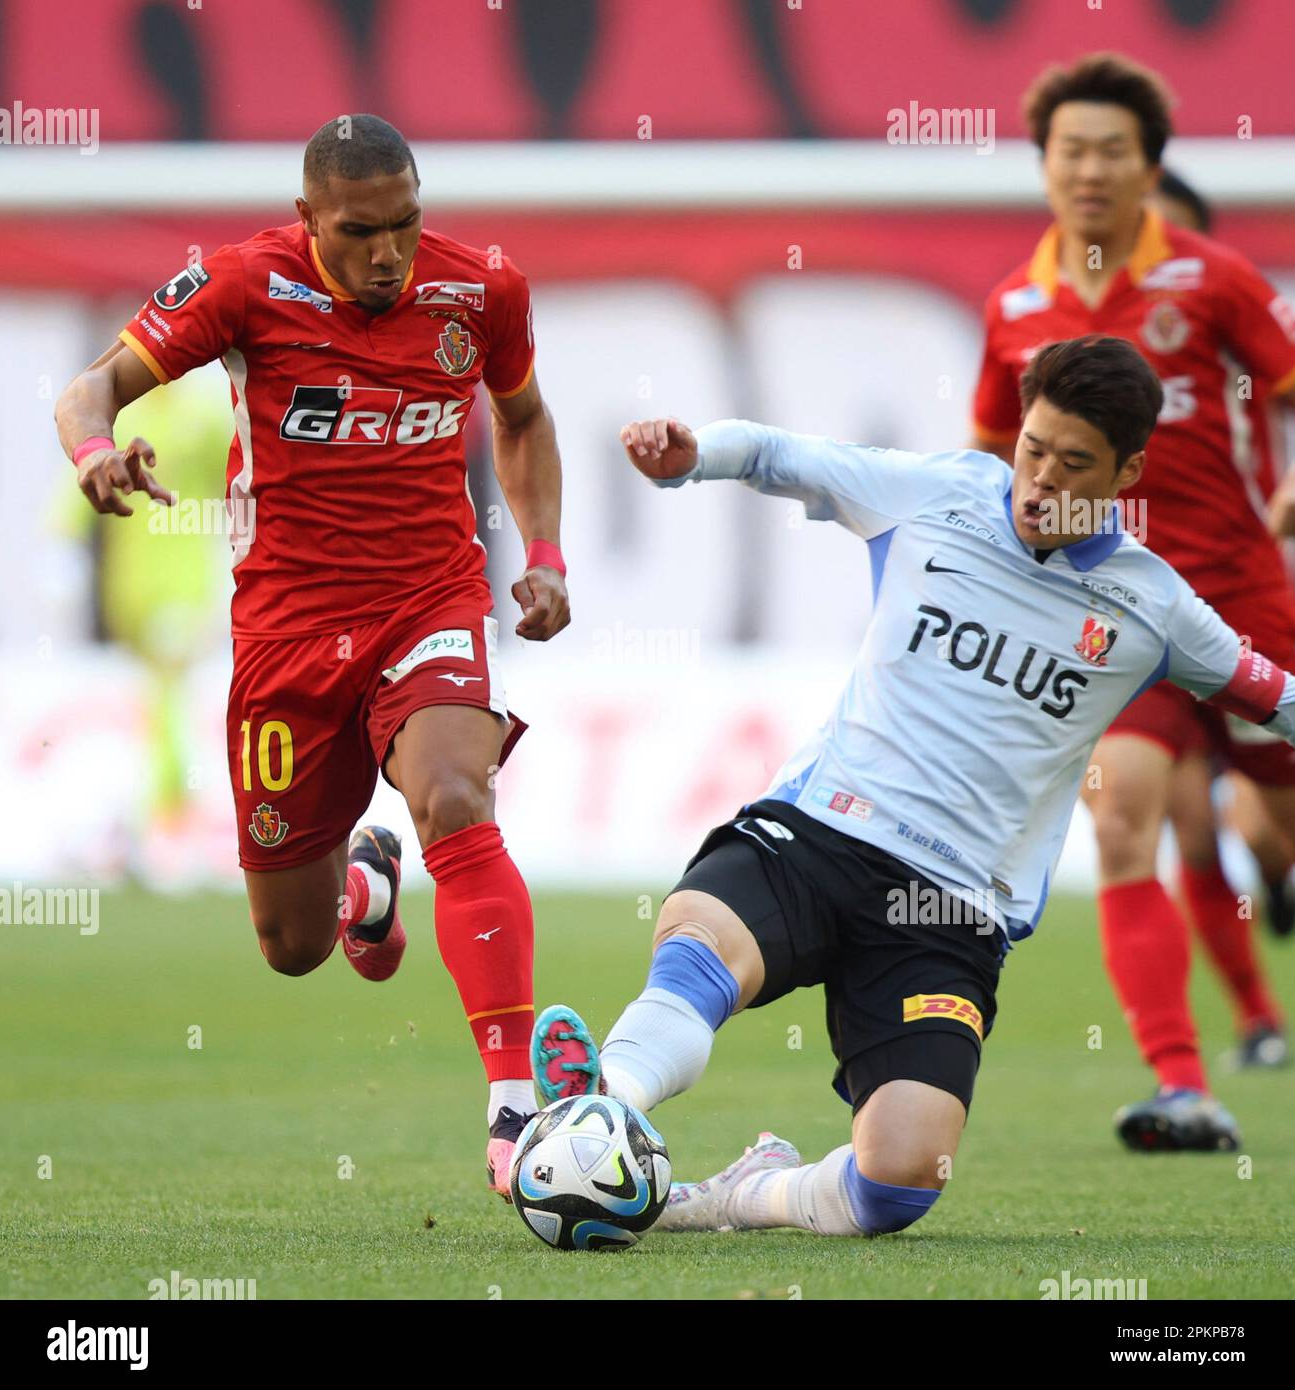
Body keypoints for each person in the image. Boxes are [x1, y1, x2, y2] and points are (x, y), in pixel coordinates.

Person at [529, 336, 1295, 1238]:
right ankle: (600, 1102)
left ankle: (734, 1195)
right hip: (822, 830)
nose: (1040, 480)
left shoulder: (1154, 605)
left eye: (1073, 464)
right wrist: (694, 457)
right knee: (700, 945)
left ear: (1128, 469)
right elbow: (784, 456)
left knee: (899, 1183)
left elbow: (1269, 694)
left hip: (953, 910)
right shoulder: (940, 493)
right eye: (1032, 449)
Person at [54, 114, 569, 1195]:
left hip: (428, 598)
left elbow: (520, 418)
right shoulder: (243, 285)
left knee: (456, 797)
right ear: (307, 221)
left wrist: (546, 552)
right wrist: (96, 451)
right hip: (288, 632)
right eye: (360, 232)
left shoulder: (479, 292)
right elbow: (87, 389)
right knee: (289, 943)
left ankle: (516, 1115)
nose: (389, 253)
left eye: (407, 224)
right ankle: (359, 897)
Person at [970, 55, 1295, 1145]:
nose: (1090, 170)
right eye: (1071, 150)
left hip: (1244, 602)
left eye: (1112, 149)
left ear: (1149, 164)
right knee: (1120, 820)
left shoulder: (1213, 281)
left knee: (1278, 834)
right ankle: (1178, 1082)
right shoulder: (1014, 307)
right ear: (1043, 164)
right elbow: (983, 458)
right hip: (1112, 621)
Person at [1149, 169, 1295, 972]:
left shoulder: (1224, 305)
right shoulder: (1084, 333)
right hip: (1129, 604)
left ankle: (1273, 866)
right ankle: (1251, 1025)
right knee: (1165, 818)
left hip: (1240, 594)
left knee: (1273, 816)